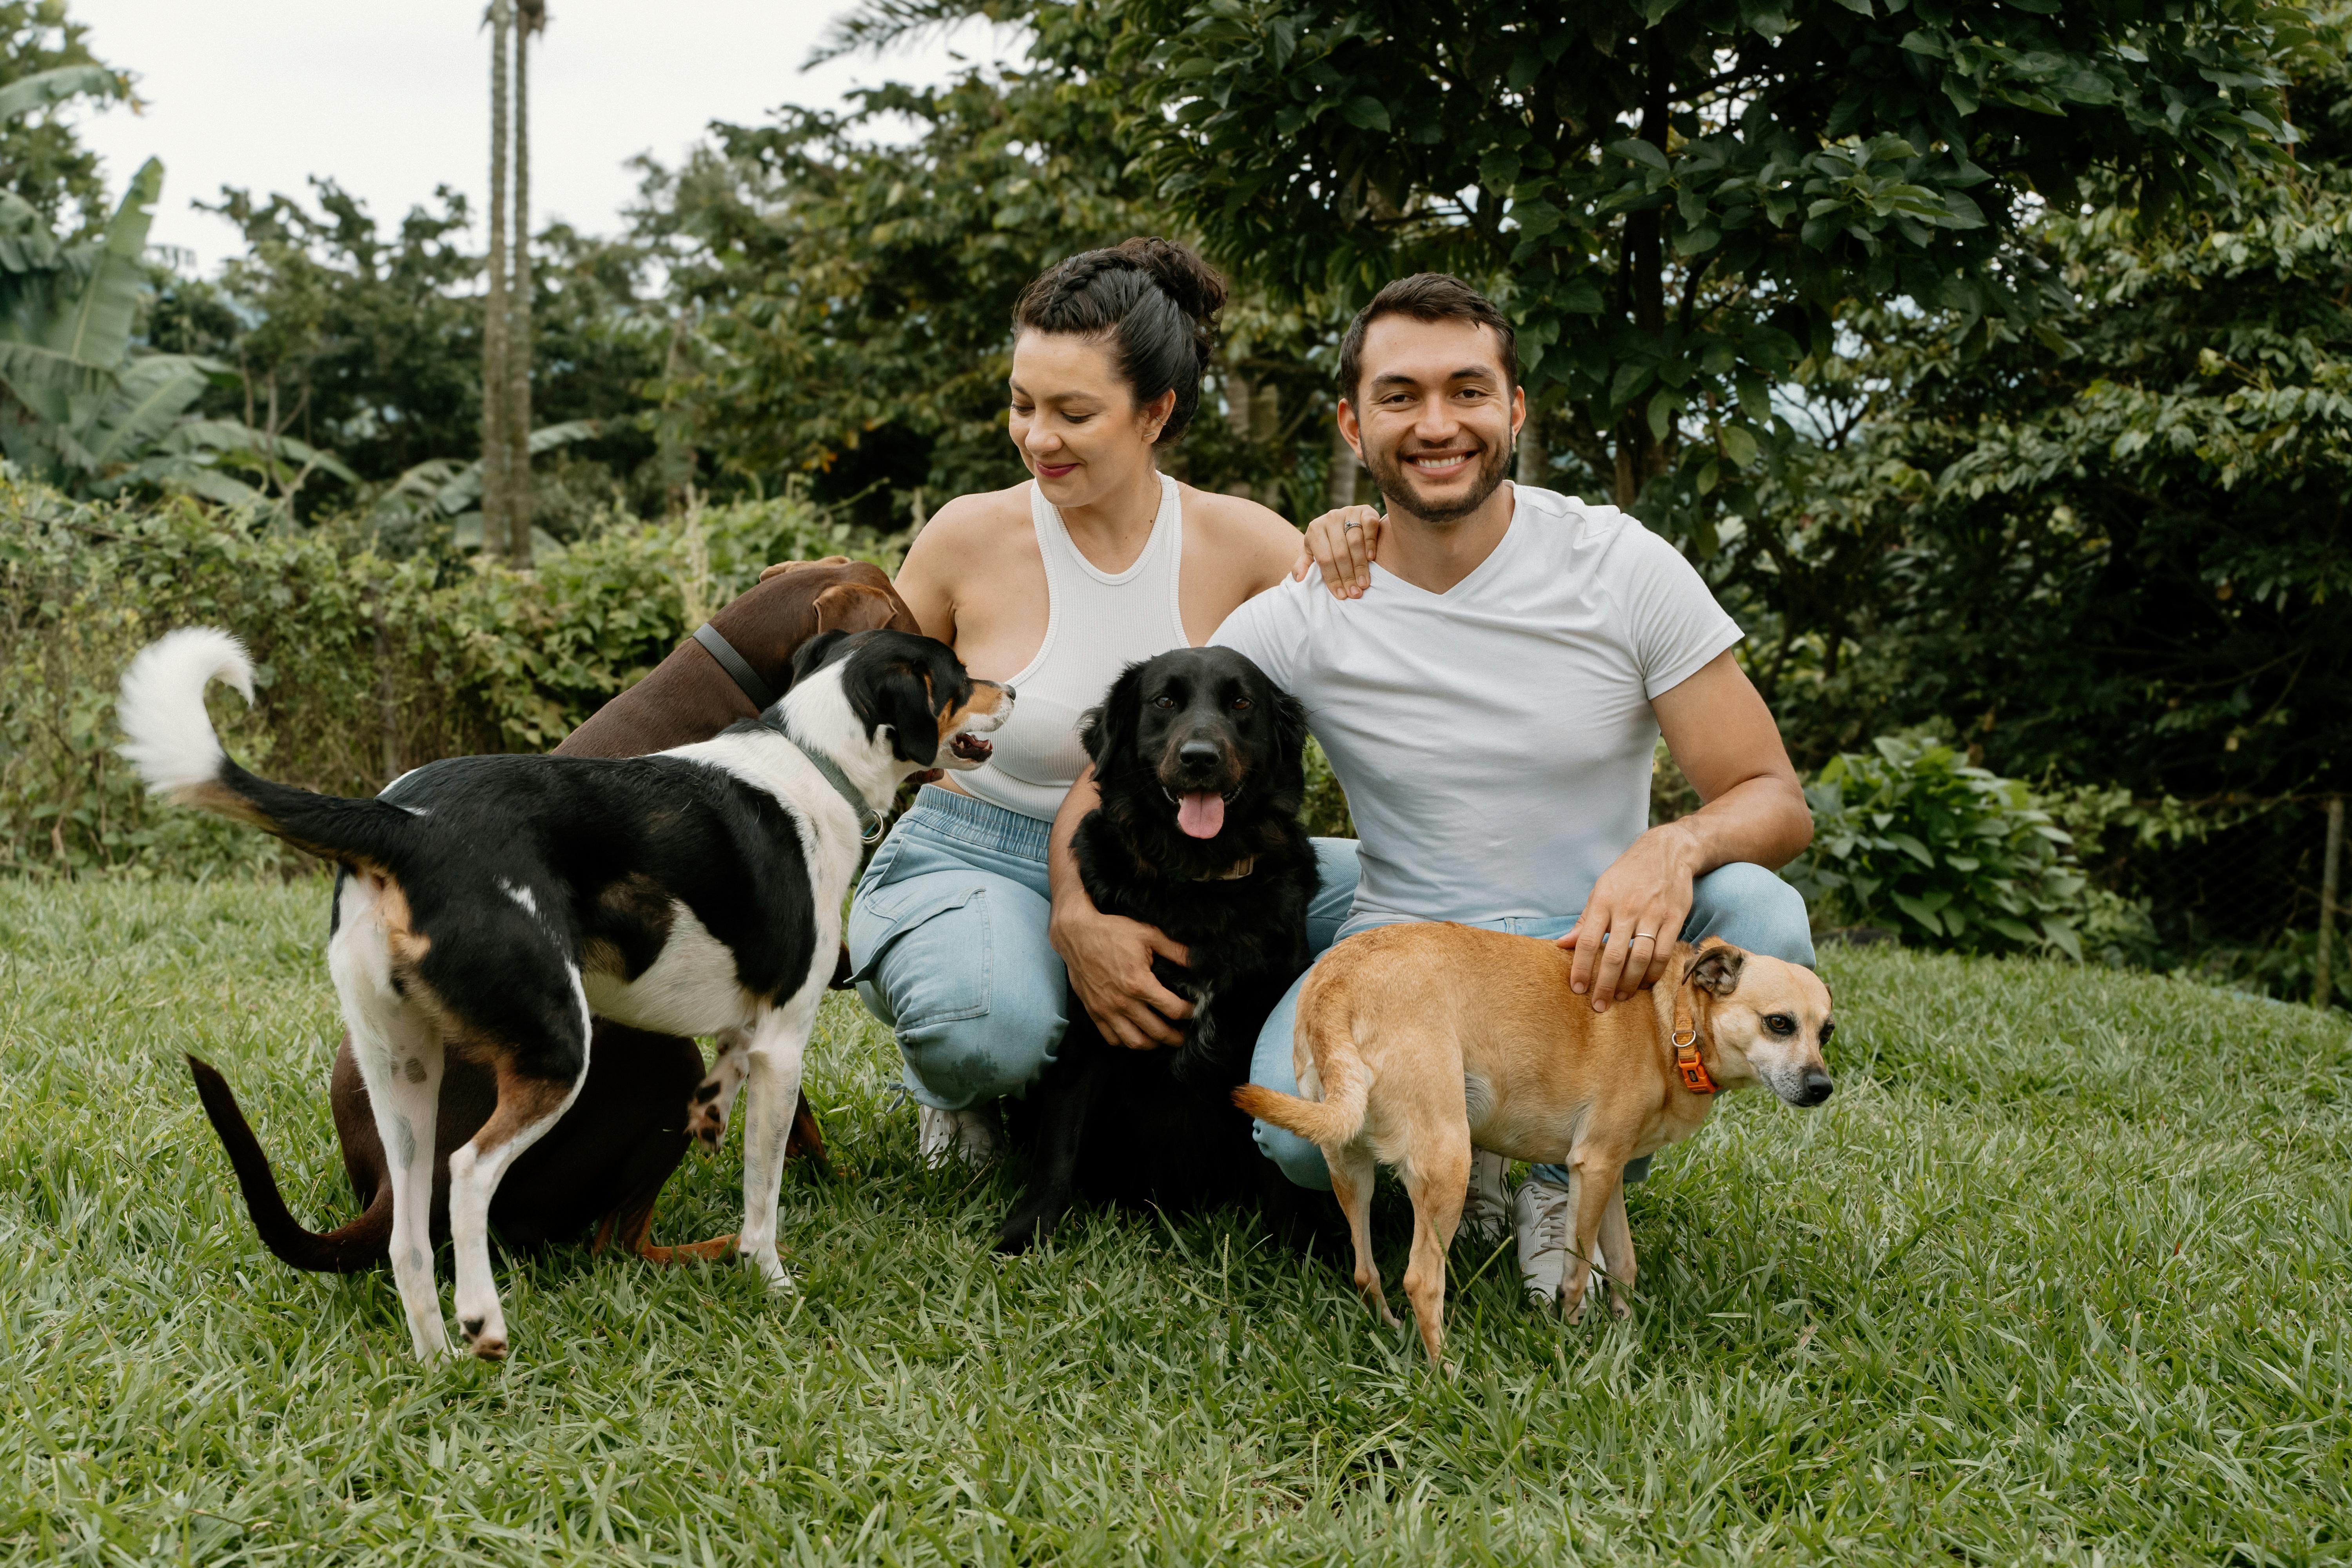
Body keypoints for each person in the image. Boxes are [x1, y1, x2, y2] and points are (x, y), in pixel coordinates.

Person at [1045, 272, 1817, 1304]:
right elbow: (1120, 768)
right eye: (1401, 397)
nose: (1437, 423)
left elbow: (1772, 794)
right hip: (1412, 957)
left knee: (1764, 911)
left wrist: (1668, 850)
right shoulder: (1318, 606)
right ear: (1354, 426)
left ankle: (1564, 1173)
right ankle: (1473, 1140)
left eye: (1468, 390)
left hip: (1595, 958)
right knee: (1293, 1139)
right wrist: (1070, 913)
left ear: (1515, 411)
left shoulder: (1618, 566)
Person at [848, 237, 1350, 1167]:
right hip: (977, 859)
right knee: (988, 1022)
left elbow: (1392, 653)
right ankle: (968, 1074)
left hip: (1189, 865)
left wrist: (1358, 534)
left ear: (1155, 411)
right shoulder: (967, 534)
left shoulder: (1243, 541)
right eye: (1022, 404)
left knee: (1402, 899)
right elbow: (857, 718)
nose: (1039, 436)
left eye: (1074, 412)